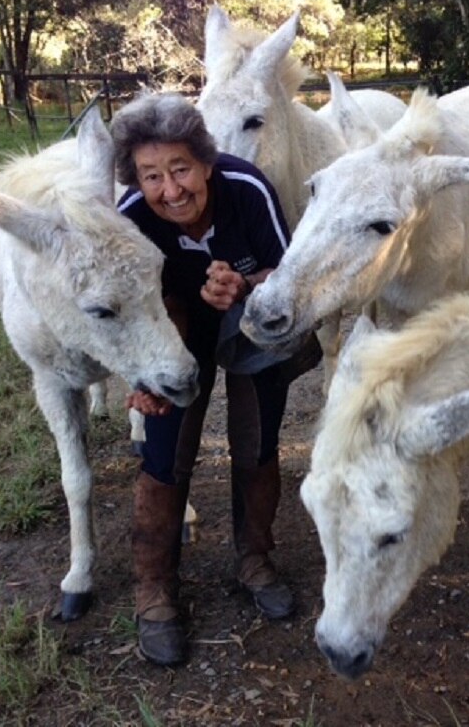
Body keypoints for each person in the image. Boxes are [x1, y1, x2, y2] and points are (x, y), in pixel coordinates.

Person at [110, 92, 316, 667]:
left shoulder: (246, 188)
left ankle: (254, 559)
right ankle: (153, 586)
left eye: (180, 169)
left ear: (205, 162)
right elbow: (127, 310)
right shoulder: (130, 217)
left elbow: (289, 272)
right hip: (172, 329)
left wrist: (245, 286)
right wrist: (140, 375)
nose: (170, 189)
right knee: (164, 449)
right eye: (152, 175)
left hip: (250, 320)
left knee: (257, 439)